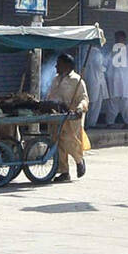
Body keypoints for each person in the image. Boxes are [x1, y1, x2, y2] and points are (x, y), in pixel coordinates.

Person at [45, 53, 89, 182]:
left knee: (70, 141)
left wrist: (80, 108)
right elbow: (50, 95)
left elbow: (84, 98)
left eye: (59, 64)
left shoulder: (77, 80)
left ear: (67, 65)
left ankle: (79, 160)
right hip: (57, 115)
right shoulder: (55, 80)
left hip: (72, 116)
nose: (56, 66)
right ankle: (64, 172)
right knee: (57, 143)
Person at [84, 43, 109, 127]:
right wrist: (106, 68)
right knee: (95, 104)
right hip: (96, 81)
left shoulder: (87, 51)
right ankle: (91, 123)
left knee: (92, 103)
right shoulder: (96, 53)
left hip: (93, 80)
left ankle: (89, 122)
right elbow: (99, 67)